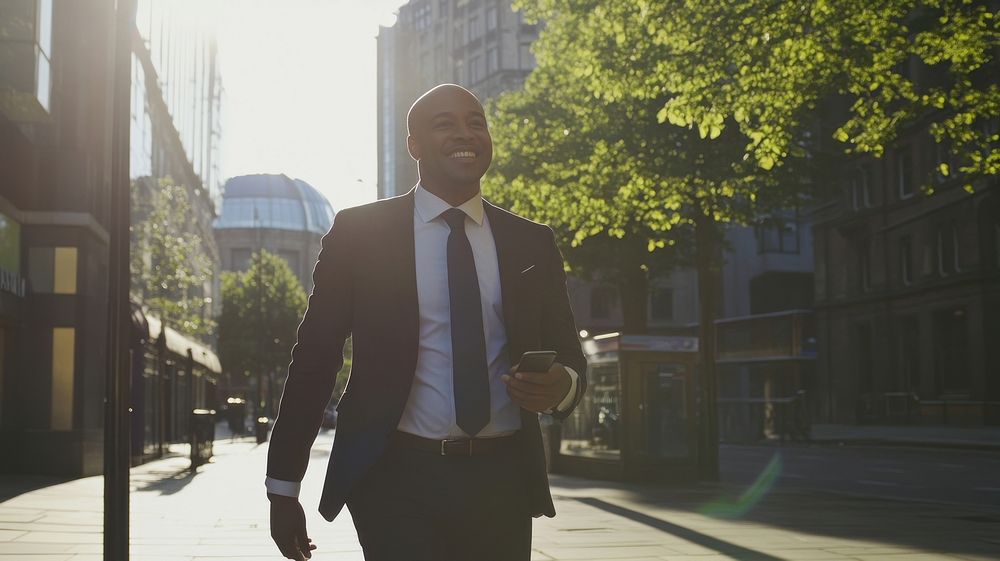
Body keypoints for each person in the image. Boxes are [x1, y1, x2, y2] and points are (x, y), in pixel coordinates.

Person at [266, 84, 587, 561]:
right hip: (395, 479)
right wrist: (283, 487)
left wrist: (562, 386)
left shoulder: (531, 242)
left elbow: (569, 356)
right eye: (446, 124)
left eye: (476, 122)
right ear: (413, 145)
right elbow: (315, 358)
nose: (466, 133)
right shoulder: (360, 234)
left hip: (503, 481)